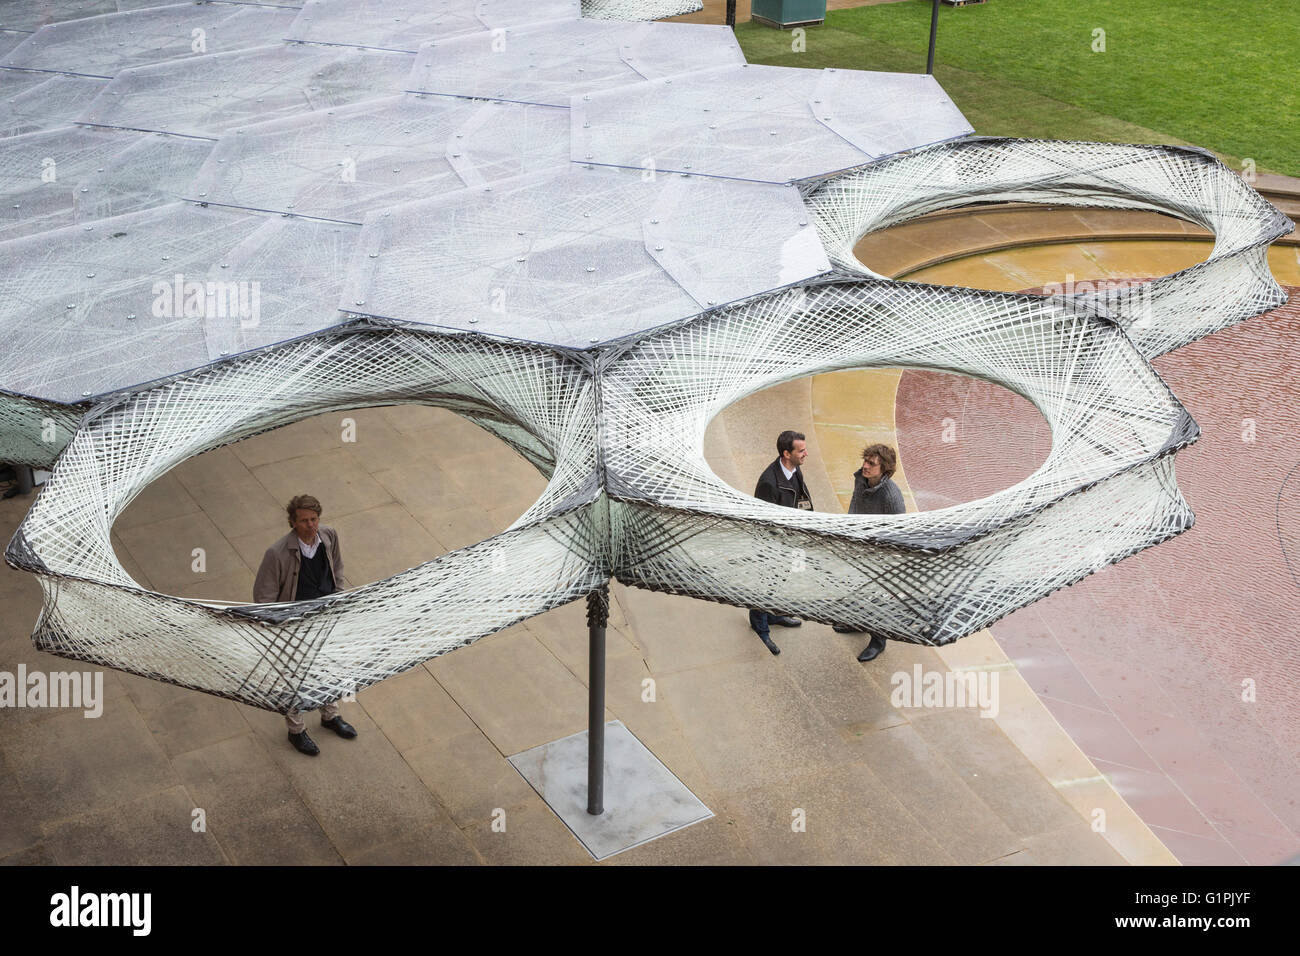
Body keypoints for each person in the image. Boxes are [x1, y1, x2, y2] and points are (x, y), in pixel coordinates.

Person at [253, 494, 358, 756]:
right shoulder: (276, 553)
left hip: (324, 616)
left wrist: (338, 599)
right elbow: (263, 597)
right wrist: (279, 628)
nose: (310, 525)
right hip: (295, 624)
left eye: (313, 519)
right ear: (293, 522)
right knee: (294, 678)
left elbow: (338, 568)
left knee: (329, 669)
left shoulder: (329, 535)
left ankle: (330, 716)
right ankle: (296, 731)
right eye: (304, 521)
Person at [835, 444, 906, 662]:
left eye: (871, 464)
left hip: (879, 554)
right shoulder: (861, 480)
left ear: (884, 469)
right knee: (856, 588)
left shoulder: (891, 496)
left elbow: (899, 532)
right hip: (858, 547)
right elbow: (855, 507)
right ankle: (857, 622)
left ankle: (878, 640)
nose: (865, 466)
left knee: (878, 597)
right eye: (865, 461)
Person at [749, 429, 814, 656]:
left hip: (789, 540)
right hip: (772, 544)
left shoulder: (794, 470)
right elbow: (764, 521)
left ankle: (774, 614)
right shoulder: (769, 482)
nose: (806, 453)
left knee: (780, 581)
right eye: (801, 450)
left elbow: (801, 498)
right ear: (787, 453)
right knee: (764, 584)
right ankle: (760, 627)